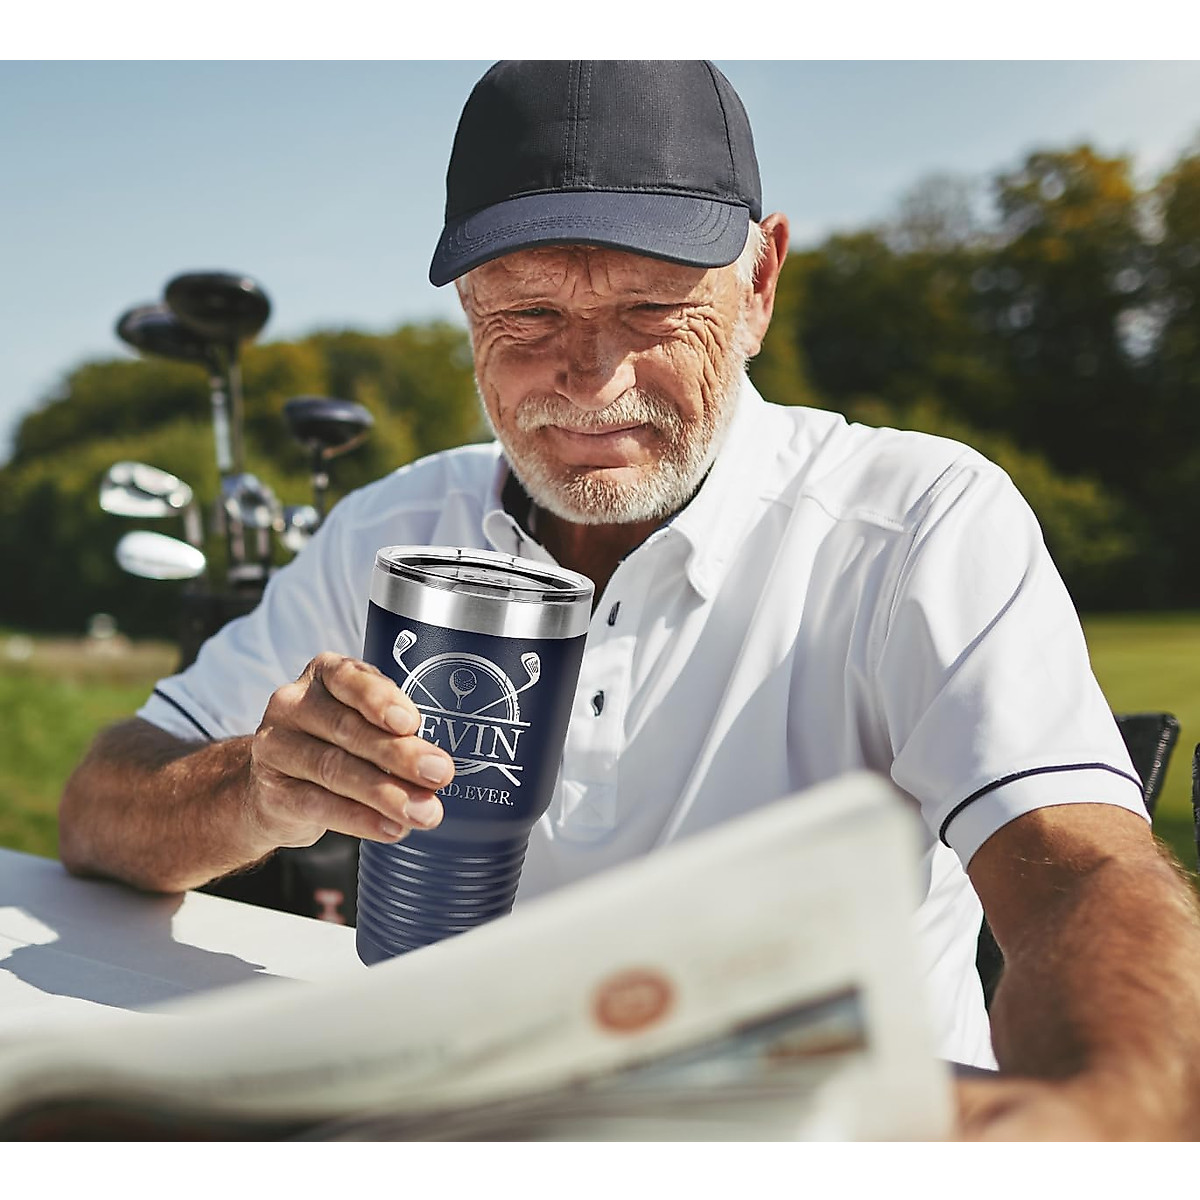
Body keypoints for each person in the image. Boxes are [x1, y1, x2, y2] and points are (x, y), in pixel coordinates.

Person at [60, 60, 1200, 1139]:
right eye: (529, 316)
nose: (591, 376)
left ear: (759, 284)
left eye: (653, 308)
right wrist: (258, 787)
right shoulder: (391, 527)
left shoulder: (917, 520)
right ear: (467, 311)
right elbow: (105, 804)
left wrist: (1108, 1112)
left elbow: (1081, 870)